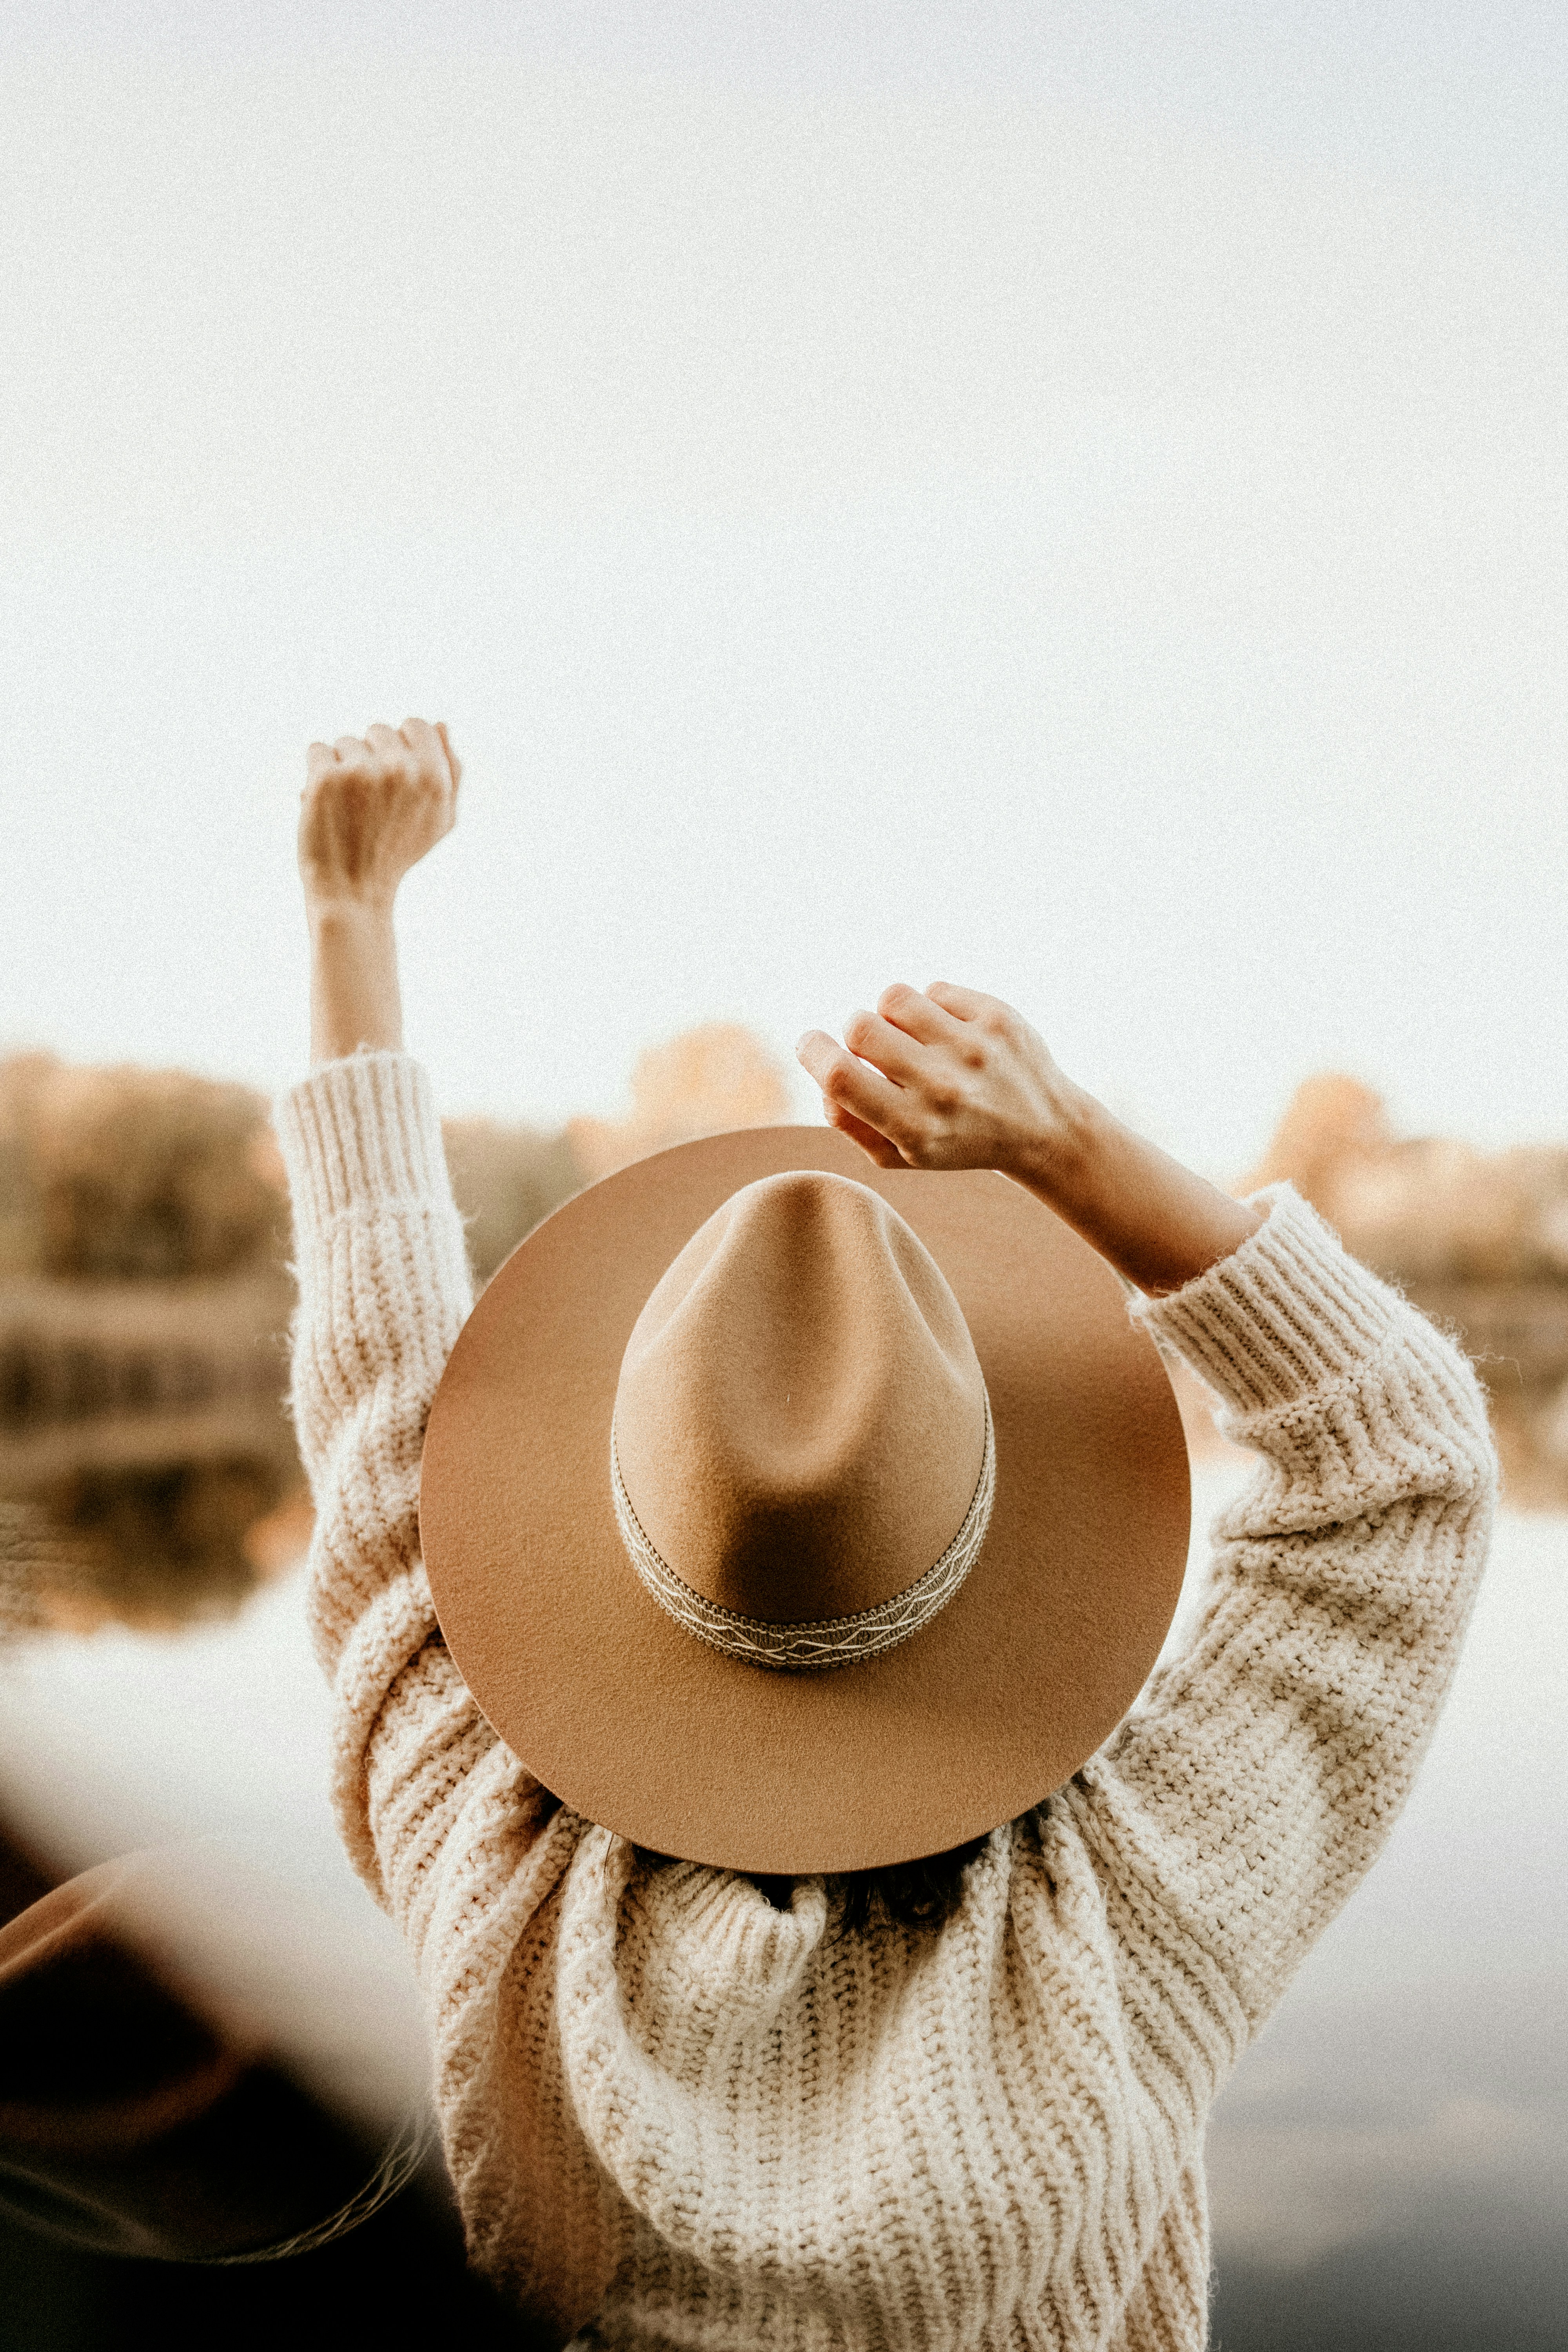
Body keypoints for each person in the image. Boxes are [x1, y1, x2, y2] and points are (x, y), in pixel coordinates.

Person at [280, 718, 1496, 2351]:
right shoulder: (1115, 1925)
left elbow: (377, 1415)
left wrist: (349, 915)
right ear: (982, 1550)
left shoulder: (496, 1892)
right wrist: (1071, 1147)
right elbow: (1401, 1465)